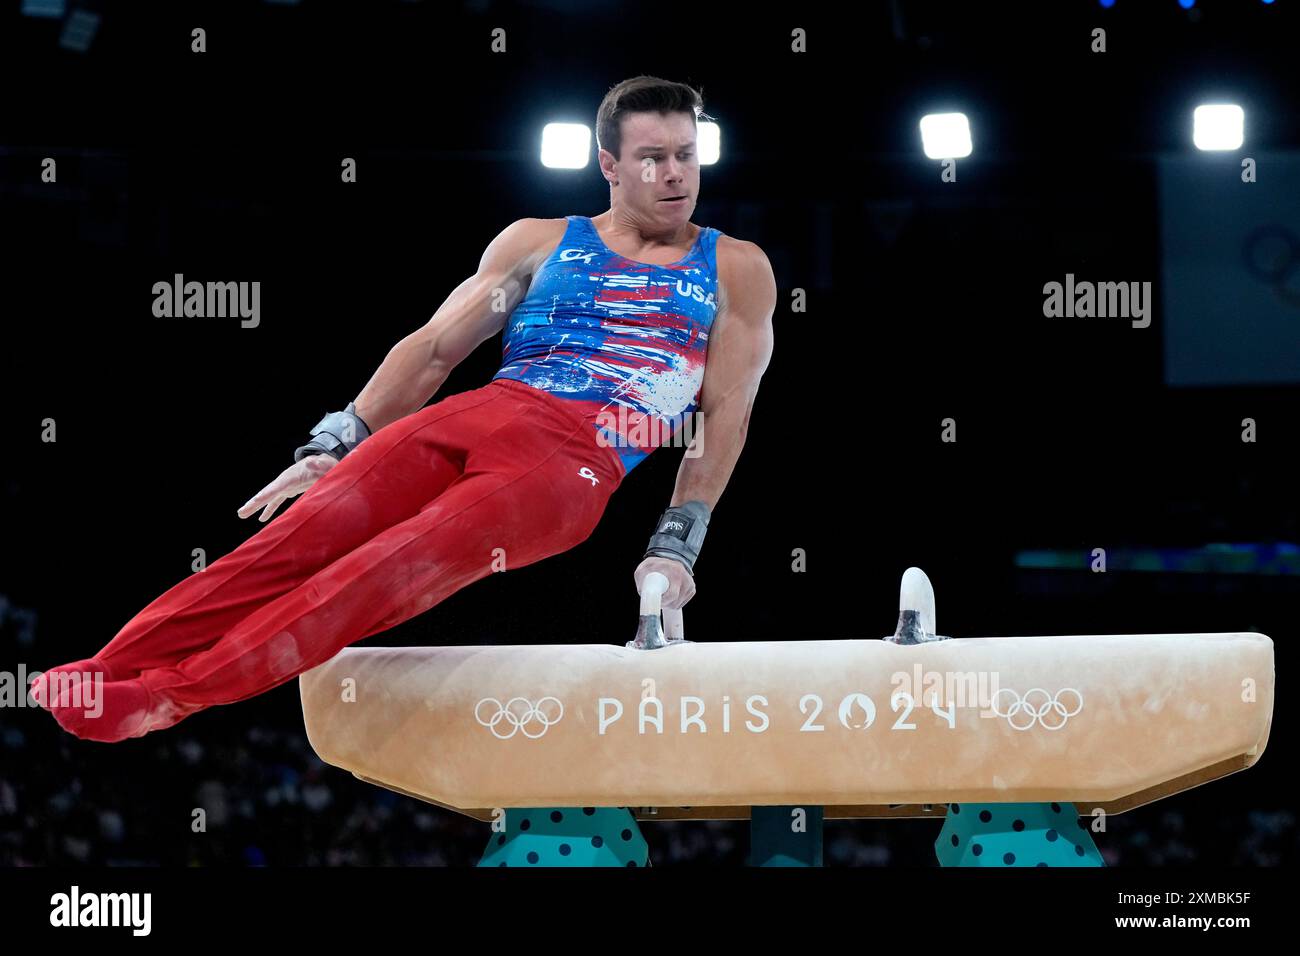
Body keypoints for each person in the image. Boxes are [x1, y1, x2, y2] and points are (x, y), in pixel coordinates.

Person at [30, 75, 776, 743]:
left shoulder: (735, 267)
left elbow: (727, 414)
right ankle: (106, 668)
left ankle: (167, 698)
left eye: (686, 153)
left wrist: (677, 543)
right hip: (482, 409)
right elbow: (433, 350)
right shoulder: (538, 241)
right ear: (609, 166)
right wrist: (336, 440)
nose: (675, 173)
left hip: (576, 457)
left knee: (378, 570)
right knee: (292, 540)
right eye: (652, 156)